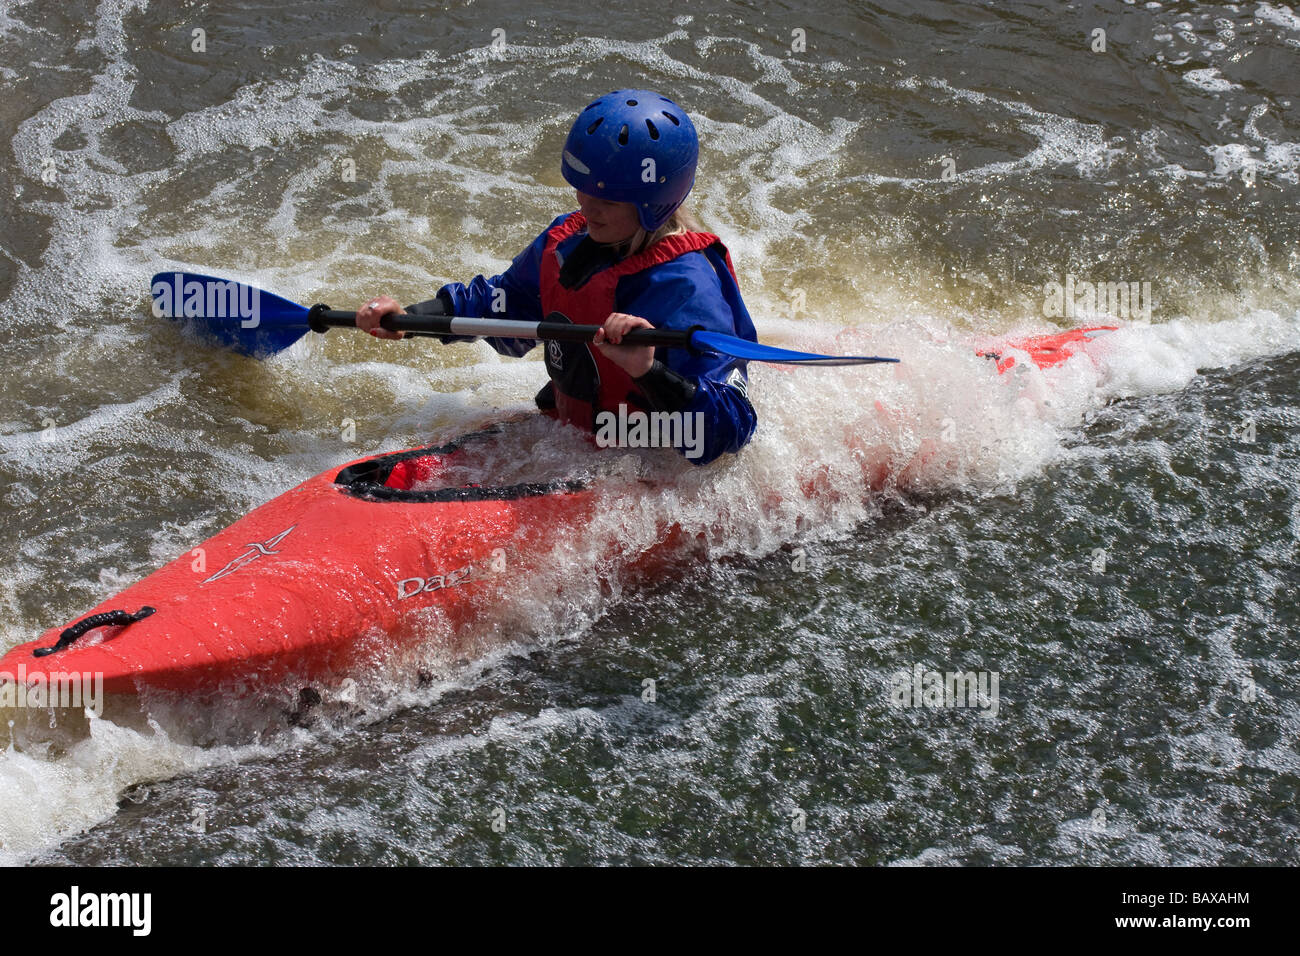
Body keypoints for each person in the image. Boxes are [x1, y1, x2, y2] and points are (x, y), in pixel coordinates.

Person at [356, 89, 757, 465]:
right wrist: (408, 319)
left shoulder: (687, 289)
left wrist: (647, 370)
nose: (586, 204)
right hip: (576, 436)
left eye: (606, 199)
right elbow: (501, 303)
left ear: (654, 203)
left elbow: (727, 431)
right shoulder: (567, 242)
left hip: (649, 458)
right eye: (583, 189)